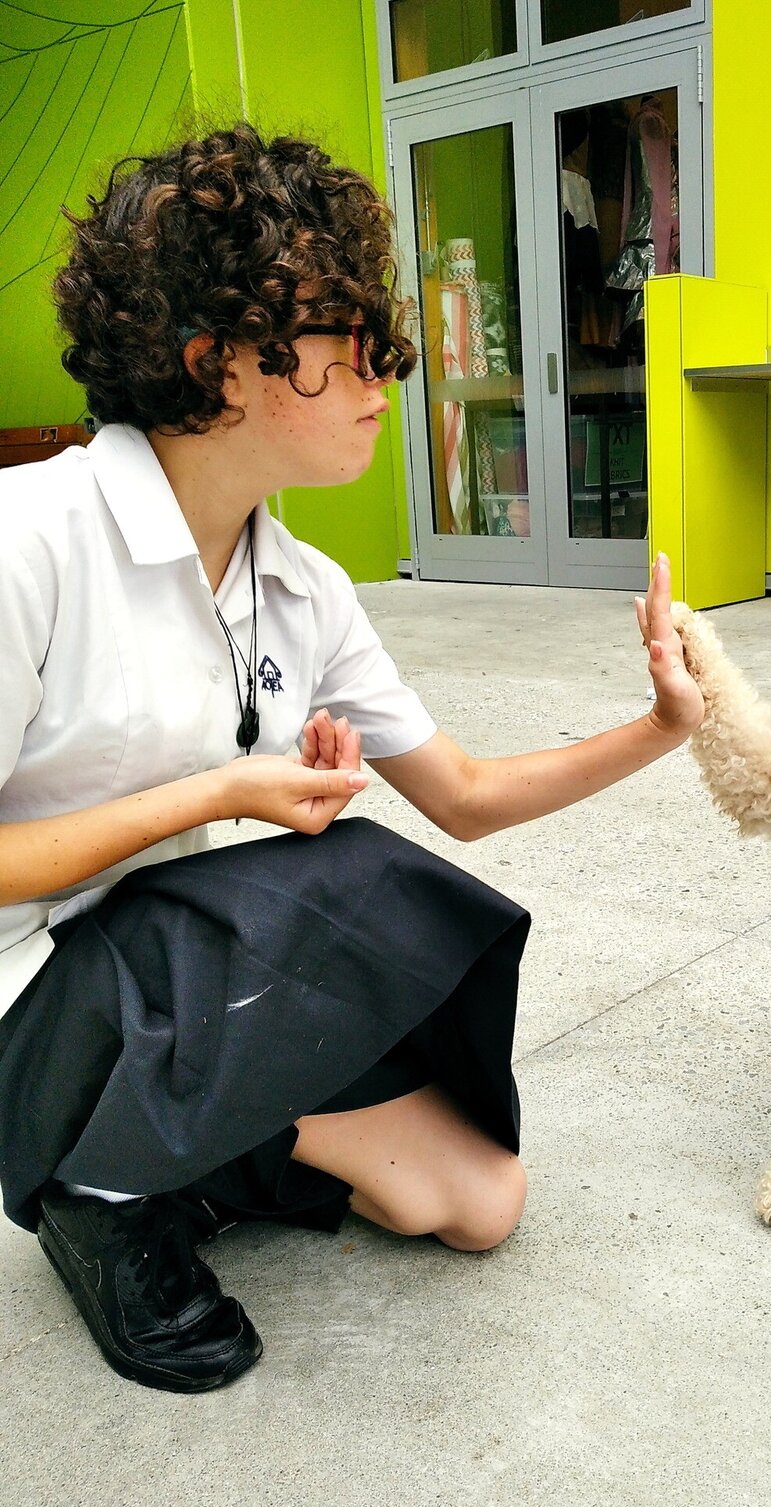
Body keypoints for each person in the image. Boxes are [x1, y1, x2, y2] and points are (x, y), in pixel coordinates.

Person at [0, 125, 703, 1394]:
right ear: (215, 361)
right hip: (28, 1015)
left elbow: (469, 798)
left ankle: (178, 1150)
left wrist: (660, 727)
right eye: (344, 336)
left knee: (479, 1197)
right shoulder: (30, 542)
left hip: (181, 986)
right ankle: (95, 1188)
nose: (389, 371)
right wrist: (225, 792)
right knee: (354, 880)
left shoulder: (303, 585)